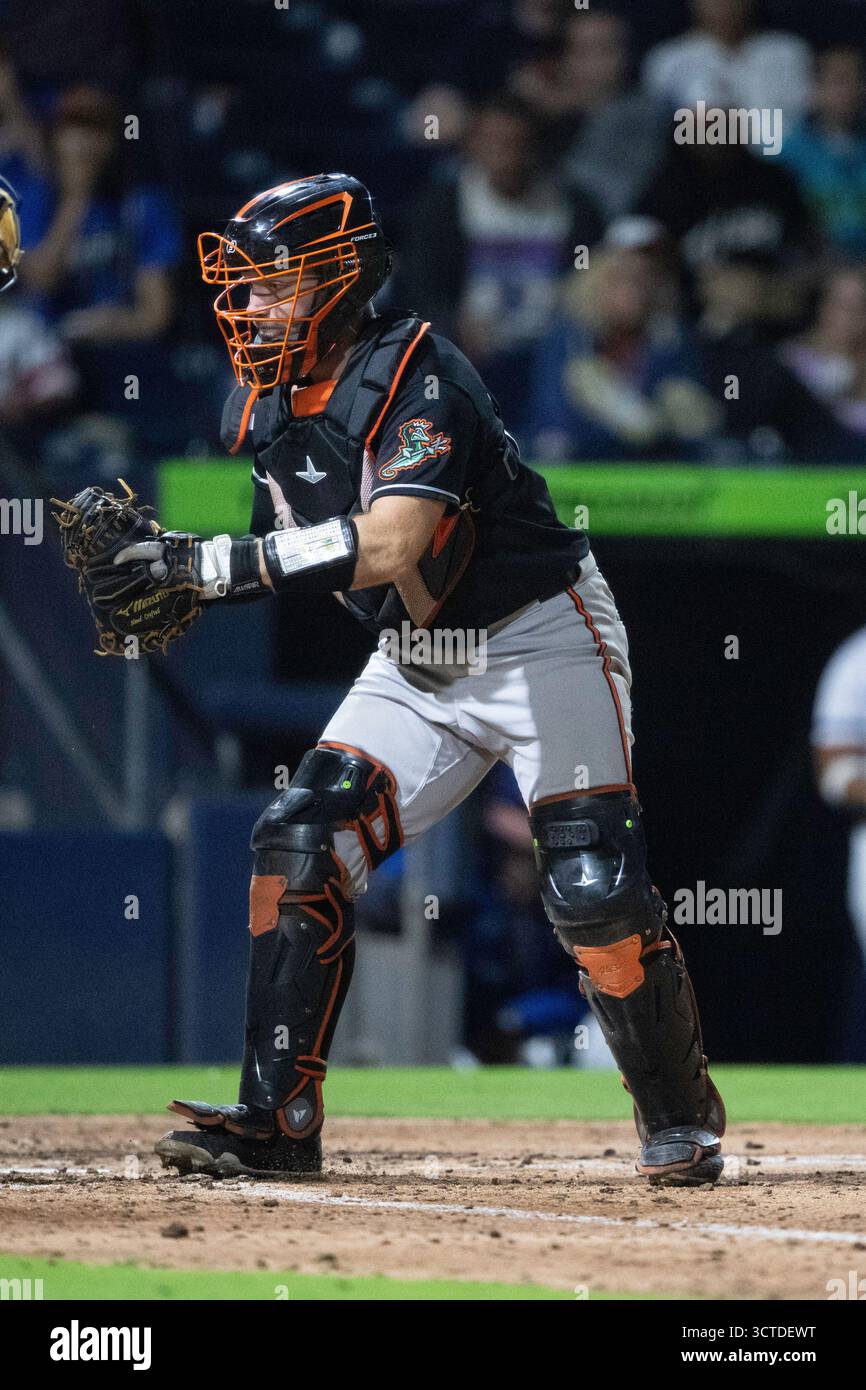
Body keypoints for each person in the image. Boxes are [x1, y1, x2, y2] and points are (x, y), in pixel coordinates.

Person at [127, 173, 725, 1185]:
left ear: (338, 278)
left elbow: (395, 538)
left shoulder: (418, 367)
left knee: (588, 882)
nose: (252, 304)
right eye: (250, 282)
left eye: (275, 281)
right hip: (419, 655)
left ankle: (680, 1117)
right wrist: (197, 574)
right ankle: (277, 1121)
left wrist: (213, 566)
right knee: (299, 836)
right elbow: (330, 557)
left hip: (542, 631)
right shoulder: (259, 408)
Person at [779, 47, 866, 261]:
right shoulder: (787, 154)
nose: (852, 90)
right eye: (839, 81)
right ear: (815, 88)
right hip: (816, 264)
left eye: (859, 80)